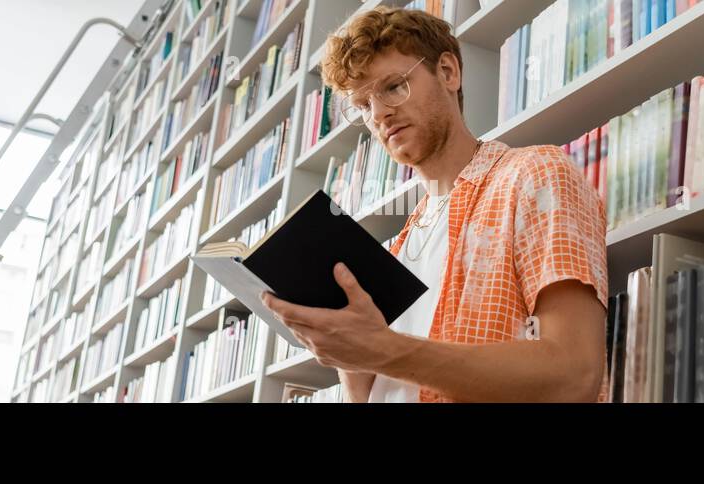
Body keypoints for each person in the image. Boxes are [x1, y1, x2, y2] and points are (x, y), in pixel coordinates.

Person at [261, 6, 609, 402]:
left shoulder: (534, 175)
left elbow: (573, 374)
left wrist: (383, 348)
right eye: (362, 105)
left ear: (448, 72)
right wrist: (344, 346)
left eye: (393, 87)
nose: (379, 114)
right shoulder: (398, 246)